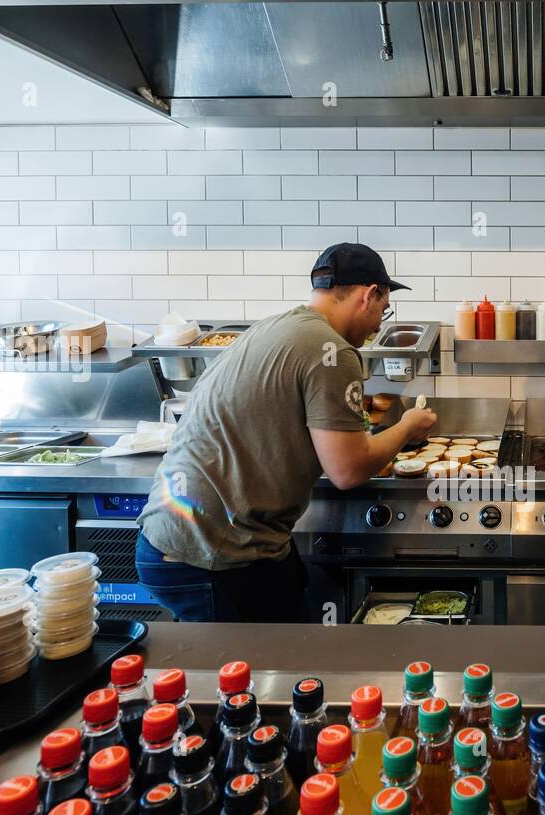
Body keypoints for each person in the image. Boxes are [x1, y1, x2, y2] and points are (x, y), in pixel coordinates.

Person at [135, 243, 437, 622]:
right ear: (368, 294)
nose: (380, 322)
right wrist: (406, 427)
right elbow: (347, 470)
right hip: (212, 552)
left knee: (289, 622)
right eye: (384, 308)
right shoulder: (334, 350)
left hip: (182, 539)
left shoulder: (279, 326)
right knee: (252, 675)